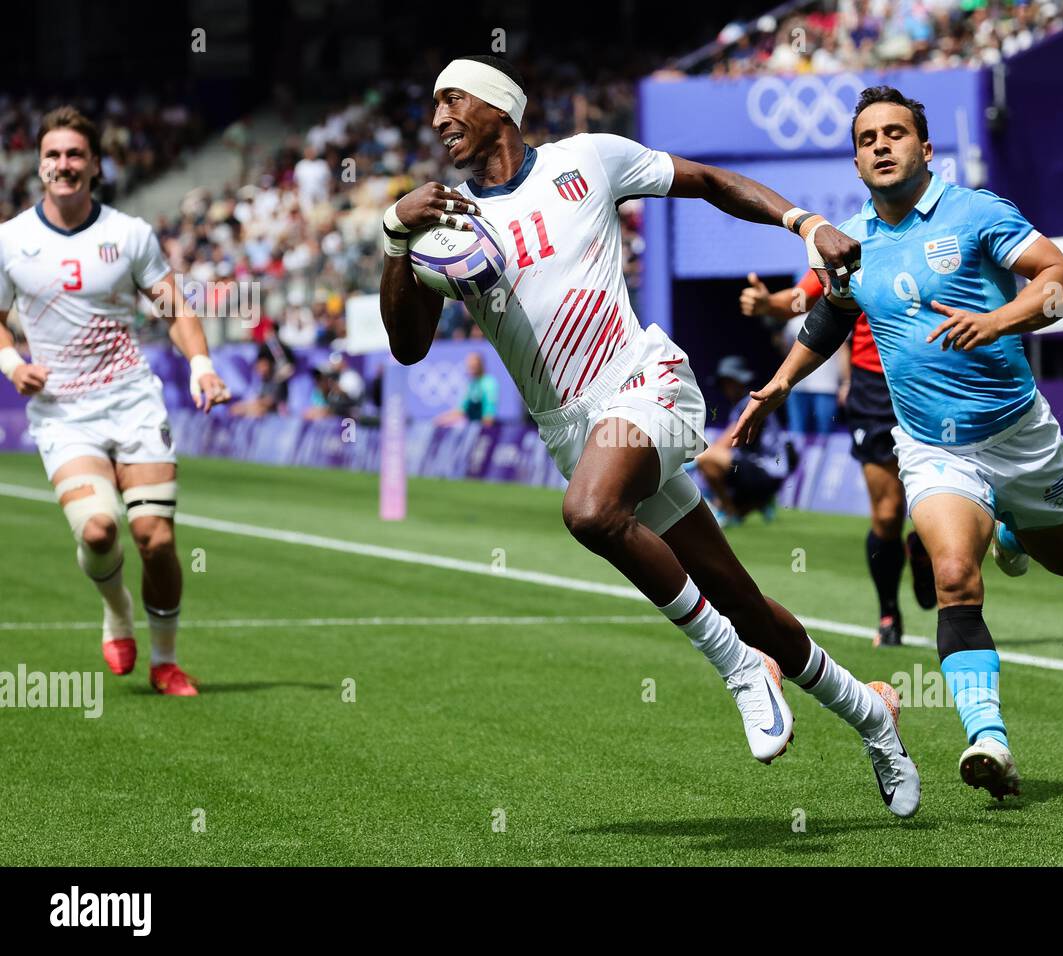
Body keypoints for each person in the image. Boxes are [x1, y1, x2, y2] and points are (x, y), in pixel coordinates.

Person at [379, 55, 919, 817]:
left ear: (500, 106)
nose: (437, 119)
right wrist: (396, 239)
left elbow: (708, 181)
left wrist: (806, 221)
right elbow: (406, 345)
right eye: (430, 106)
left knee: (589, 513)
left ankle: (739, 670)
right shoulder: (447, 225)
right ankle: (873, 714)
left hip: (643, 383)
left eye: (451, 99)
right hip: (573, 428)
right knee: (741, 598)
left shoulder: (587, 160)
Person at [735, 86, 1063, 802]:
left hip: (1019, 435)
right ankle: (988, 739)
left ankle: (1015, 526)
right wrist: (778, 383)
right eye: (868, 139)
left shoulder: (978, 212)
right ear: (857, 161)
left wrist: (1001, 320)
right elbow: (831, 320)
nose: (882, 146)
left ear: (925, 149)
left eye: (896, 134)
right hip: (933, 448)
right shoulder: (849, 244)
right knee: (954, 575)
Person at [0, 106, 231, 695]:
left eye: (75, 154)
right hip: (63, 411)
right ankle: (116, 611)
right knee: (100, 531)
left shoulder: (128, 235)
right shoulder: (11, 241)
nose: (63, 165)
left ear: (96, 165)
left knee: (155, 538)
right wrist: (13, 364)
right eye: (53, 155)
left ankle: (166, 660)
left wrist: (201, 365)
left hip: (132, 402)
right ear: (39, 165)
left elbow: (174, 307)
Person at [739, 268, 936, 645]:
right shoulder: (850, 242)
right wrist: (769, 304)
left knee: (939, 503)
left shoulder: (944, 229)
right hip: (875, 389)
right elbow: (800, 299)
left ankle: (925, 548)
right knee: (888, 513)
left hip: (935, 380)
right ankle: (889, 614)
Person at [693, 355, 791, 525]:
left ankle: (729, 512)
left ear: (740, 381)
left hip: (765, 473)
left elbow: (725, 443)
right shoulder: (741, 405)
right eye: (724, 382)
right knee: (709, 464)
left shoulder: (750, 403)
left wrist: (687, 460)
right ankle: (757, 503)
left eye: (729, 381)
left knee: (706, 459)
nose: (726, 387)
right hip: (754, 470)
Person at [741, 272, 843, 434]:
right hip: (798, 385)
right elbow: (786, 350)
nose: (806, 291)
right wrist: (770, 309)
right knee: (797, 436)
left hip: (826, 386)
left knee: (826, 438)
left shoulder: (839, 311)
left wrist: (846, 383)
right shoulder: (793, 317)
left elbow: (843, 351)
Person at [435, 352, 499, 425]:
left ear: (480, 365)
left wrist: (483, 431)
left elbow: (489, 415)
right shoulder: (470, 384)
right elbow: (461, 410)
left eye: (473, 365)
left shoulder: (489, 383)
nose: (470, 368)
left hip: (483, 430)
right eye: (469, 366)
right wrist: (440, 420)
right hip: (473, 428)